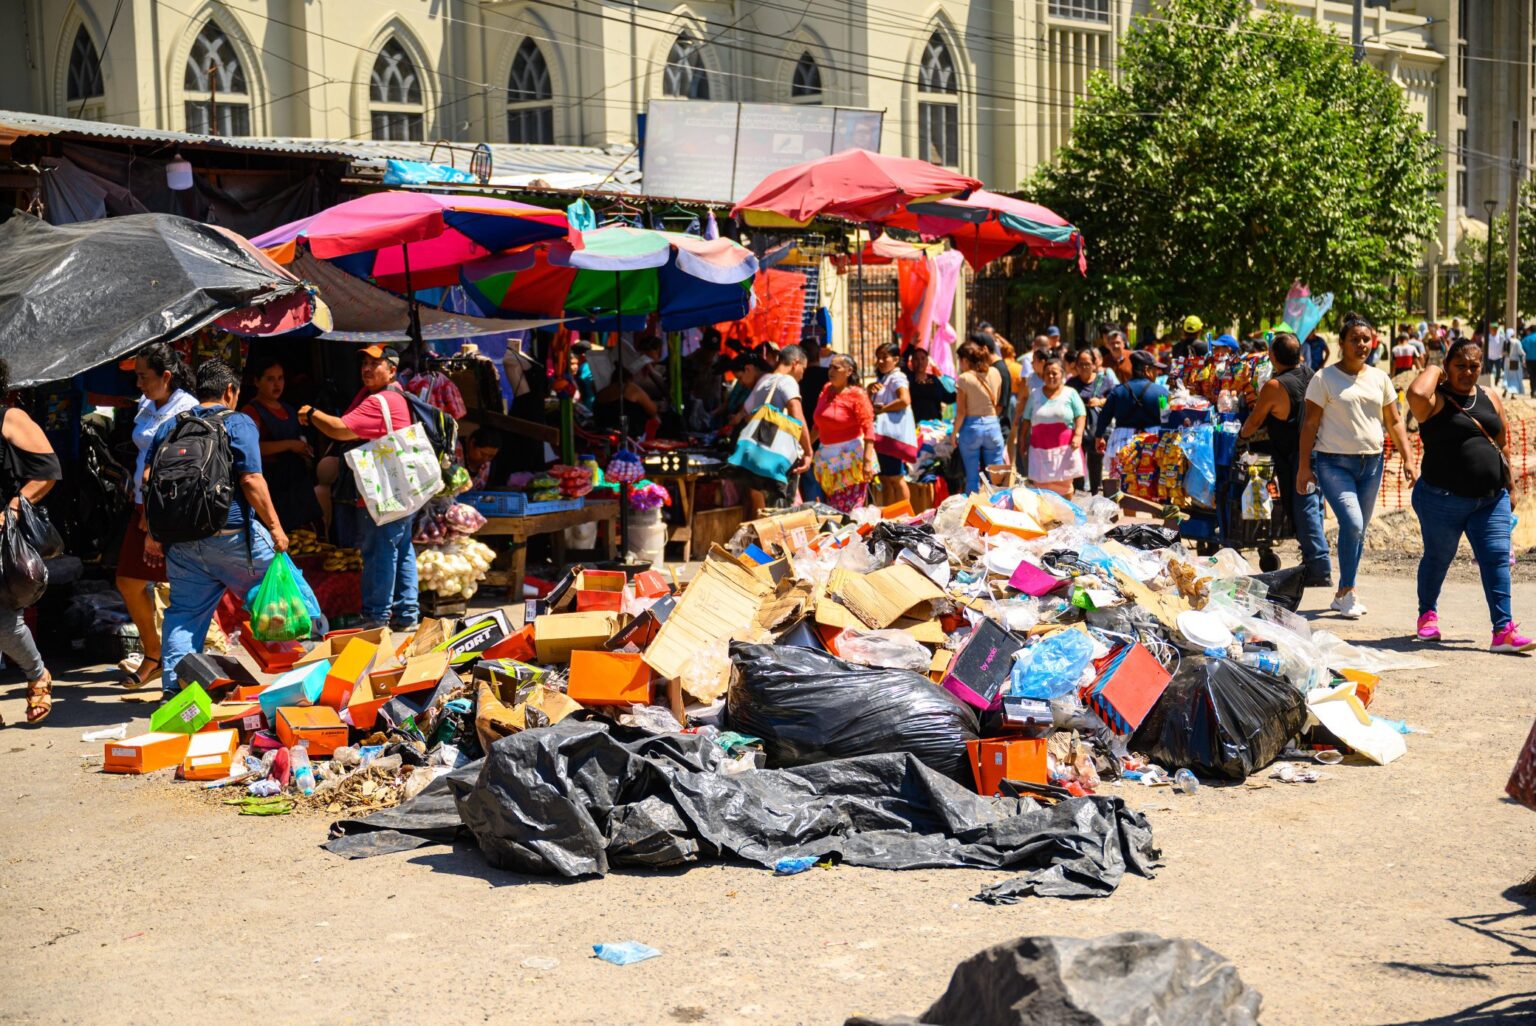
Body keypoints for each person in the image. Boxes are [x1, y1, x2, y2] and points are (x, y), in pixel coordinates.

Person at [150, 360, 287, 693]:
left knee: (183, 615)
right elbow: (252, 479)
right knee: (287, 594)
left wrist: (153, 534)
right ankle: (298, 679)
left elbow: (147, 479)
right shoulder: (238, 422)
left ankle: (177, 693)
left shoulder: (171, 427)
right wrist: (276, 528)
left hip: (182, 543)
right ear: (230, 391)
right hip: (232, 537)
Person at [1404, 338, 1532, 651]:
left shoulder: (1489, 395)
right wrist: (1435, 365)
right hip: (1441, 500)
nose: (1468, 372)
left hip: (1491, 498)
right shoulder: (1435, 400)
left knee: (1497, 559)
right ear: (1447, 368)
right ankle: (1427, 615)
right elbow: (1416, 393)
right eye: (1460, 365)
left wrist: (1511, 486)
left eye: (1474, 366)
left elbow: (1501, 443)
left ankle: (1503, 630)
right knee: (1438, 558)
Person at [1296, 313, 1417, 619]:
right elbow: (1309, 425)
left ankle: (1343, 591)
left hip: (1372, 464)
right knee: (1352, 523)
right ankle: (1348, 591)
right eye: (1355, 339)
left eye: (1366, 339)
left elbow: (1394, 421)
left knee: (1358, 531)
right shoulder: (1324, 379)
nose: (1362, 344)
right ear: (1342, 343)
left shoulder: (1380, 378)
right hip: (1333, 464)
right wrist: (1303, 467)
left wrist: (1408, 458)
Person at [299, 345, 420, 630]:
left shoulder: (380, 402)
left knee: (379, 551)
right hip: (404, 489)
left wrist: (312, 413)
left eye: (374, 364)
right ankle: (407, 616)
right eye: (364, 363)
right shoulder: (397, 396)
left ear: (391, 370)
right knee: (400, 549)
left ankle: (377, 618)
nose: (366, 369)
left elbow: (340, 428)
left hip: (384, 493)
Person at [115, 343, 197, 690]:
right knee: (128, 580)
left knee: (183, 589)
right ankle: (154, 653)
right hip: (142, 503)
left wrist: (153, 513)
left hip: (169, 509)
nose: (139, 384)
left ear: (166, 376)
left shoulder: (186, 410)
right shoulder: (148, 404)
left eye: (144, 377)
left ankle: (184, 669)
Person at [1238, 332, 1330, 586]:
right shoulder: (1313, 376)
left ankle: (1320, 569)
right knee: (1315, 505)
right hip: (1318, 450)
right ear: (1299, 354)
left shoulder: (1275, 386)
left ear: (1272, 356)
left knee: (1306, 509)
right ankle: (1312, 560)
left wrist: (1240, 436)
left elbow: (1254, 421)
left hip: (1297, 455)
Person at [0, 358, 60, 725]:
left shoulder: (10, 418)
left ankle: (37, 674)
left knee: (4, 621)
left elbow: (48, 470)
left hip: (1, 534)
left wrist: (12, 508)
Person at [241, 360, 322, 533]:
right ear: (257, 381)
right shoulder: (250, 411)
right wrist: (290, 445)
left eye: (280, 378)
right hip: (273, 484)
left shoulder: (289, 409)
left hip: (297, 483)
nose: (277, 384)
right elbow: (252, 449)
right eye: (270, 379)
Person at [737, 345, 812, 511]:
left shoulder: (764, 381)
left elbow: (746, 412)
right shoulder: (787, 381)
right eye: (803, 369)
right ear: (795, 363)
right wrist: (808, 451)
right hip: (780, 458)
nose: (802, 375)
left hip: (758, 457)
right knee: (782, 512)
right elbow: (796, 414)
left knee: (765, 512)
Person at [811, 354, 879, 512]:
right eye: (830, 367)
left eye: (836, 367)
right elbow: (818, 426)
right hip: (828, 460)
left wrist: (867, 462)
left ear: (849, 371)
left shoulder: (857, 395)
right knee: (832, 508)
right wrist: (805, 449)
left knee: (847, 510)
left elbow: (868, 428)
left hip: (851, 461)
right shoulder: (826, 390)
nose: (831, 371)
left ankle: (850, 535)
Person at [1095, 350, 1169, 490]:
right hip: (1153, 444)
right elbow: (1166, 418)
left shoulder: (1118, 391)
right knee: (1153, 484)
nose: (1157, 373)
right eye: (1155, 369)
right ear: (1147, 370)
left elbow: (1104, 416)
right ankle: (1155, 511)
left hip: (1123, 444)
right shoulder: (1161, 392)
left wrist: (1099, 436)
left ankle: (1128, 512)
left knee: (1126, 485)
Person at [1016, 353, 1086, 498]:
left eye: (1054, 373)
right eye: (1047, 373)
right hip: (1039, 448)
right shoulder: (1034, 394)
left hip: (1065, 448)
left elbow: (1080, 414)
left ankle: (1065, 515)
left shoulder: (1070, 393)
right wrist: (1022, 441)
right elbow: (1027, 420)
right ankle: (1047, 516)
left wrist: (1078, 435)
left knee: (1064, 484)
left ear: (1062, 374)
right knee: (1041, 485)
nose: (1051, 376)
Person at [953, 340, 1007, 493]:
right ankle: (998, 506)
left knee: (972, 477)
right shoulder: (995, 373)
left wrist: (953, 434)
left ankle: (974, 509)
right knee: (996, 476)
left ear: (965, 360)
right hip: (992, 425)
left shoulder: (964, 379)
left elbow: (961, 412)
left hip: (971, 428)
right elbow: (996, 400)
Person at [869, 343, 914, 507]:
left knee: (896, 478)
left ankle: (906, 516)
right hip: (883, 436)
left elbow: (905, 400)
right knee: (885, 479)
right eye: (878, 357)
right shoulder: (884, 378)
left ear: (896, 360)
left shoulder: (897, 377)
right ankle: (890, 515)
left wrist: (883, 410)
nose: (880, 361)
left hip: (893, 436)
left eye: (884, 357)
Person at [1068, 348, 1114, 494]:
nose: (1084, 367)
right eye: (1080, 364)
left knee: (1095, 464)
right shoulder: (1071, 383)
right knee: (1077, 461)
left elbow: (1114, 399)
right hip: (1076, 429)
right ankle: (1078, 491)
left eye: (1087, 363)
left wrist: (1100, 401)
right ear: (1076, 365)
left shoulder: (1104, 381)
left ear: (1094, 365)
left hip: (1097, 428)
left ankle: (1095, 493)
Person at [905, 346, 952, 422]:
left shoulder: (934, 379)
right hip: (914, 425)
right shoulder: (907, 380)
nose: (920, 362)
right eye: (916, 359)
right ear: (912, 362)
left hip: (934, 425)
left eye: (923, 358)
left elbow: (946, 397)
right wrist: (911, 345)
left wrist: (961, 390)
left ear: (927, 361)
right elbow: (902, 362)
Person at [1522, 323, 1536, 395]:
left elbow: (1523, 347)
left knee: (1532, 375)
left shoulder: (1526, 339)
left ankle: (1533, 390)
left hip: (1529, 359)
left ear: (1530, 330)